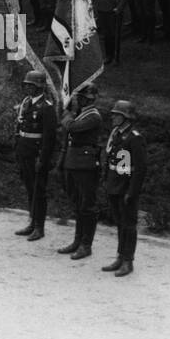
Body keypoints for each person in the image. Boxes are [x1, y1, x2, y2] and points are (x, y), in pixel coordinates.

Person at [57, 83, 104, 260]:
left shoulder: (93, 116)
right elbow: (67, 133)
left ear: (90, 99)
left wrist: (66, 113)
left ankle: (86, 245)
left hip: (86, 164)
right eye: (79, 97)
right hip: (73, 161)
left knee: (87, 206)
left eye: (82, 98)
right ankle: (78, 240)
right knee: (77, 204)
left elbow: (72, 128)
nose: (79, 100)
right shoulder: (79, 114)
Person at [101, 99, 146, 277]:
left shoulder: (135, 138)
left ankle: (128, 261)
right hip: (114, 185)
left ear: (126, 118)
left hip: (126, 188)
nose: (113, 117)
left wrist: (132, 192)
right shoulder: (117, 134)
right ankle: (120, 256)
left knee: (129, 225)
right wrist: (107, 182)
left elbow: (140, 169)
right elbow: (112, 161)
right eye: (113, 114)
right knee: (120, 224)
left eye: (117, 115)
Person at [13, 71, 57, 242]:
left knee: (39, 190)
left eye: (31, 85)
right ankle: (32, 222)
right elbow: (21, 127)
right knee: (30, 188)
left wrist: (43, 159)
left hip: (36, 154)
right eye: (27, 85)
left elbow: (49, 138)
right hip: (24, 151)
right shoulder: (27, 103)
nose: (28, 88)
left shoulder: (46, 108)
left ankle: (40, 227)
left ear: (40, 86)